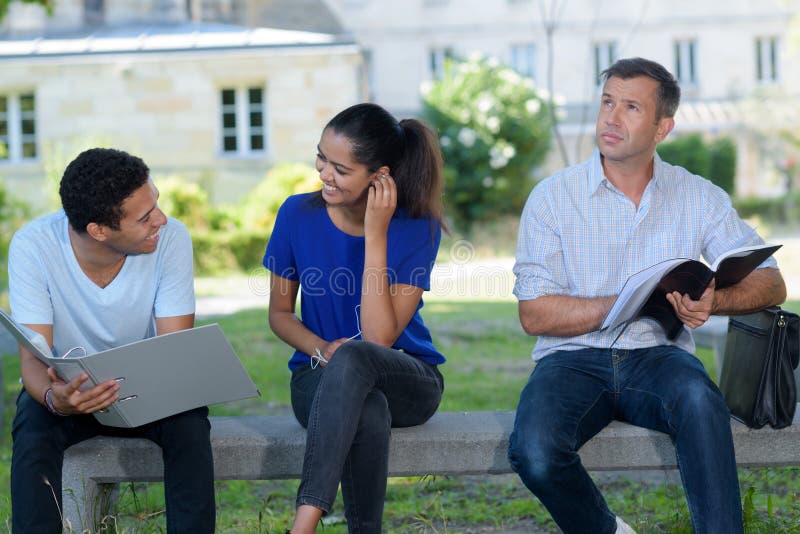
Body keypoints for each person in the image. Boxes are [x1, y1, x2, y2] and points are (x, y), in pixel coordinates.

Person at [508, 57, 786, 533]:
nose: (611, 118)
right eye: (607, 102)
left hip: (659, 357)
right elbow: (534, 313)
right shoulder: (551, 197)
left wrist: (712, 301)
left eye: (631, 107)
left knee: (701, 402)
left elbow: (772, 281)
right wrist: (624, 301)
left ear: (663, 127)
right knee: (533, 451)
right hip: (570, 361)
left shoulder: (698, 196)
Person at [9, 148, 215, 533]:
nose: (161, 219)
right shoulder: (33, 246)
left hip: (152, 390)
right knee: (33, 423)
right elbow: (34, 360)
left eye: (156, 204)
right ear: (99, 230)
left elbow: (175, 349)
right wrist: (58, 400)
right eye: (145, 217)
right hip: (72, 392)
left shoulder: (170, 238)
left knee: (189, 421)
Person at [264, 103, 447, 534]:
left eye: (340, 169)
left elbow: (380, 338)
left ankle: (302, 526)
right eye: (321, 158)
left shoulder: (417, 227)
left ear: (379, 175)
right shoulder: (295, 214)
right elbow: (278, 315)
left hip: (407, 377)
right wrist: (322, 348)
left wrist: (376, 233)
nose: (324, 173)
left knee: (358, 358)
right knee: (365, 403)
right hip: (317, 376)